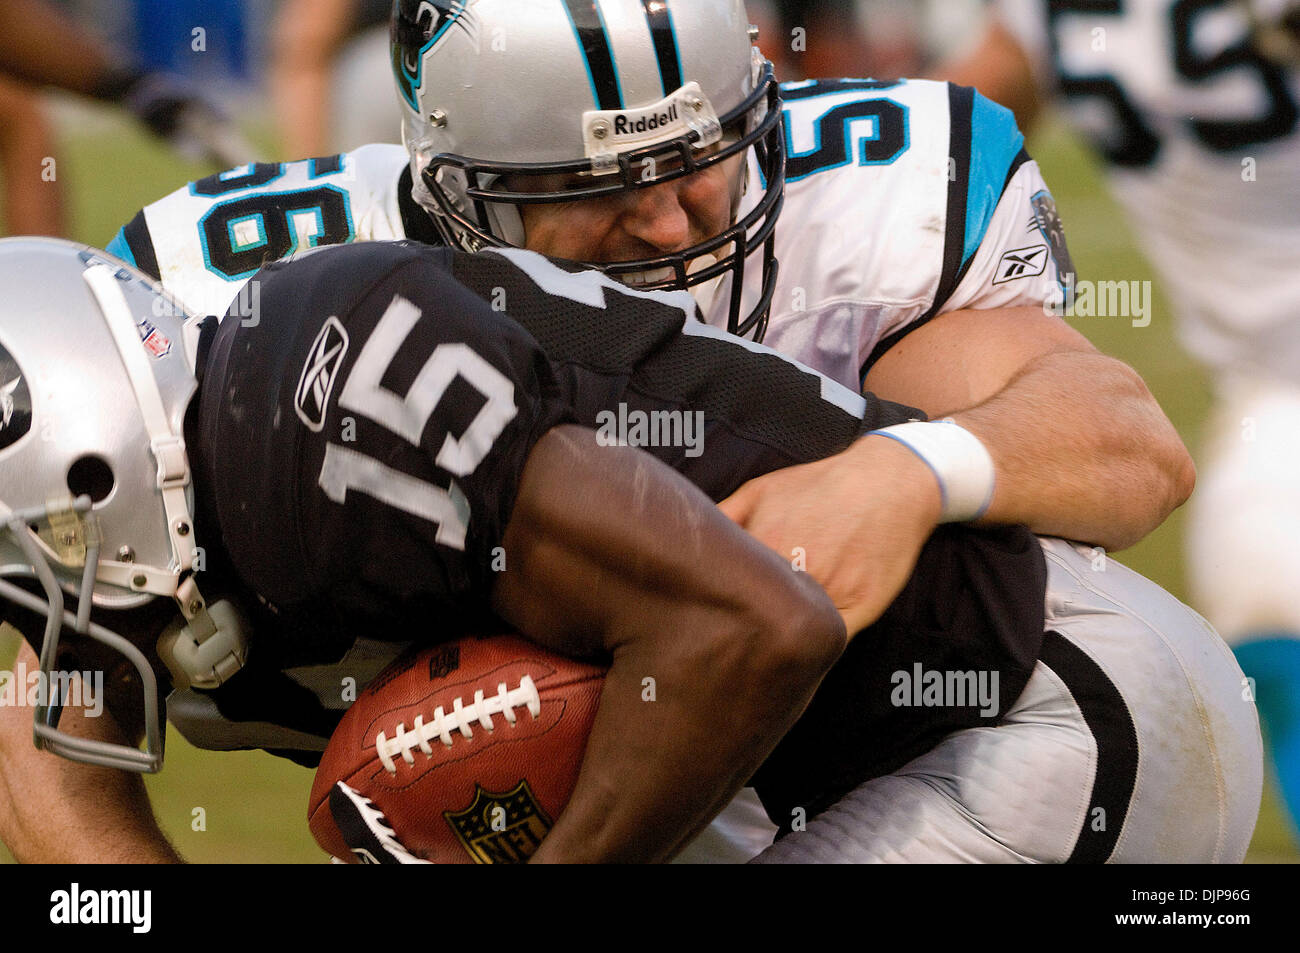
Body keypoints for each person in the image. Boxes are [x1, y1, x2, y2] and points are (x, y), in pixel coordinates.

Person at [100, 1, 1202, 859]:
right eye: (602, 186)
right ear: (459, 193)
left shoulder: (865, 197)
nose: (675, 219)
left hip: (939, 747)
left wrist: (910, 471)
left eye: (705, 155)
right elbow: (65, 716)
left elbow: (1126, 446)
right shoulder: (228, 299)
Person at [0, 236, 1261, 864]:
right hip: (834, 760)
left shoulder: (311, 426)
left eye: (31, 553)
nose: (30, 603)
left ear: (91, 451)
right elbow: (53, 753)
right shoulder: (158, 521)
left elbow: (752, 625)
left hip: (1035, 697)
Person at [939, 0, 1300, 844]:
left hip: (1270, 403)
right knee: (1268, 610)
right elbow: (943, 137)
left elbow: (939, 135)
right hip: (1272, 397)